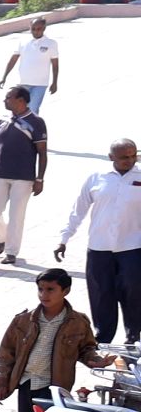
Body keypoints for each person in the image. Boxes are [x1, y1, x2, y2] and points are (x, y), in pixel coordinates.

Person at [0, 267, 112, 412]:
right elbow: (5, 354)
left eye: (50, 290)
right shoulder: (23, 320)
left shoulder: (78, 322)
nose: (44, 295)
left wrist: (95, 361)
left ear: (65, 291)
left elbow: (86, 348)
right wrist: (1, 382)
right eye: (40, 289)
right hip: (26, 384)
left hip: (53, 387)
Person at [53, 138, 141, 344]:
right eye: (124, 157)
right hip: (99, 247)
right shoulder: (96, 178)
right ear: (111, 157)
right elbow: (78, 210)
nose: (130, 160)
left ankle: (134, 336)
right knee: (101, 294)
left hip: (133, 247)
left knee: (134, 292)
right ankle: (103, 338)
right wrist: (64, 238)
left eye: (133, 155)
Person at [0, 84, 50, 263]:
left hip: (23, 177)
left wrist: (40, 178)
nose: (5, 100)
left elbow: (42, 152)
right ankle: (3, 239)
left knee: (16, 215)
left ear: (20, 100)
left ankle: (11, 252)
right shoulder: (2, 120)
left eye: (8, 97)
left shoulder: (36, 122)